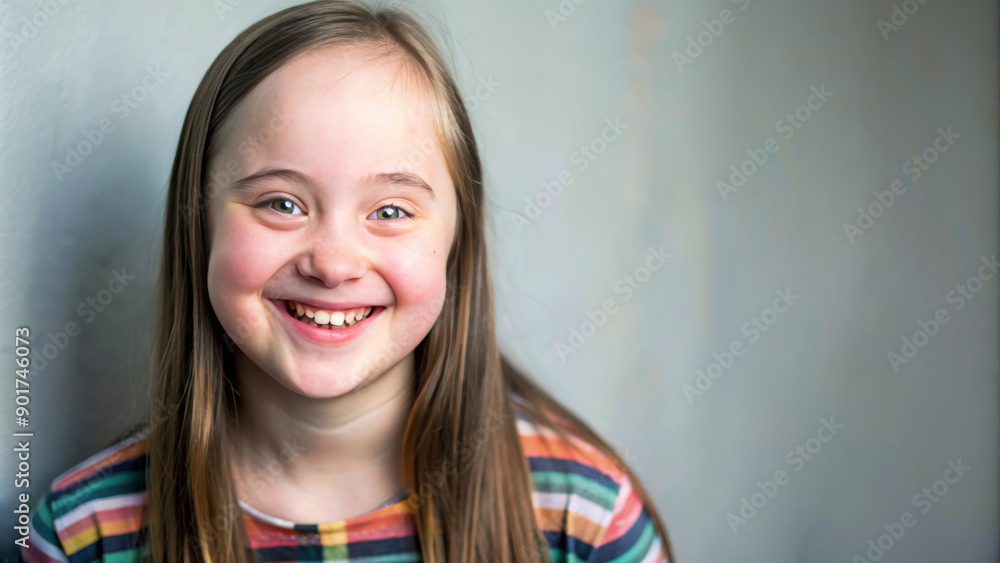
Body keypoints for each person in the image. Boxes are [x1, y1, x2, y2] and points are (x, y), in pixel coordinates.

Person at [19, 1, 674, 561]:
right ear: (199, 224)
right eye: (281, 202)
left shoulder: (582, 518)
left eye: (390, 211)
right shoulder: (85, 533)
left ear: (456, 241)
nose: (333, 263)